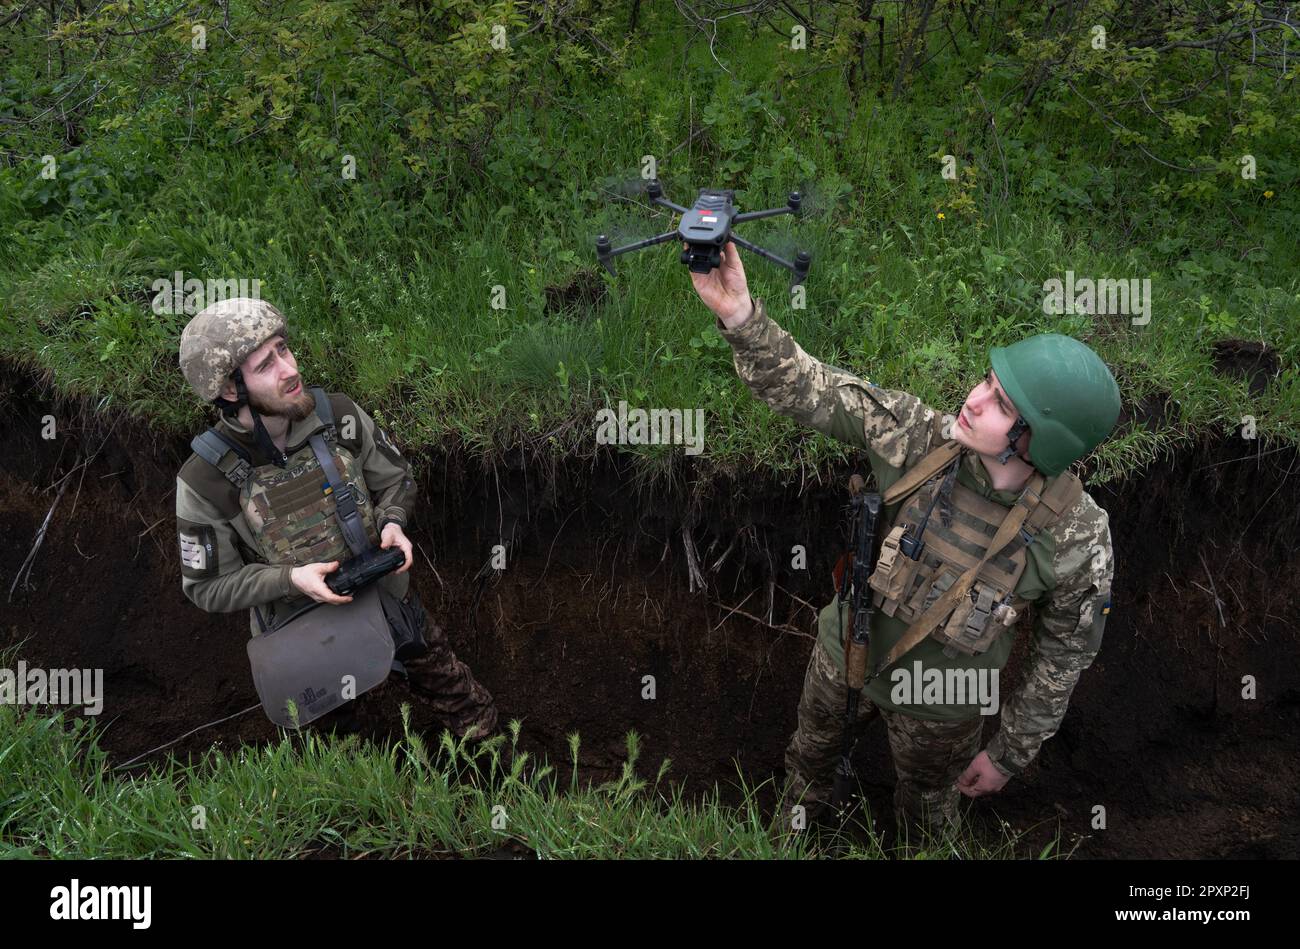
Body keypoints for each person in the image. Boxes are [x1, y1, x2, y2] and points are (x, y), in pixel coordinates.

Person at [689, 243, 1117, 835]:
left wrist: (1008, 753)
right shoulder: (919, 438)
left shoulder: (1077, 534)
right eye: (986, 381)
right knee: (806, 769)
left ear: (1038, 441)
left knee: (926, 812)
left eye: (1000, 404)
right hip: (847, 658)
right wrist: (739, 314)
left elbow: (1064, 655)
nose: (973, 400)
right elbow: (812, 389)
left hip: (944, 705)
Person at [175, 296, 497, 740]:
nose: (290, 369)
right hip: (305, 636)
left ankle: (502, 792)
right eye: (265, 365)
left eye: (283, 349)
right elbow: (207, 587)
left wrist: (393, 522)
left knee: (469, 712)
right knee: (343, 757)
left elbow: (396, 478)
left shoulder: (337, 416)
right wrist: (290, 581)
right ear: (231, 390)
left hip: (388, 601)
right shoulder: (204, 479)